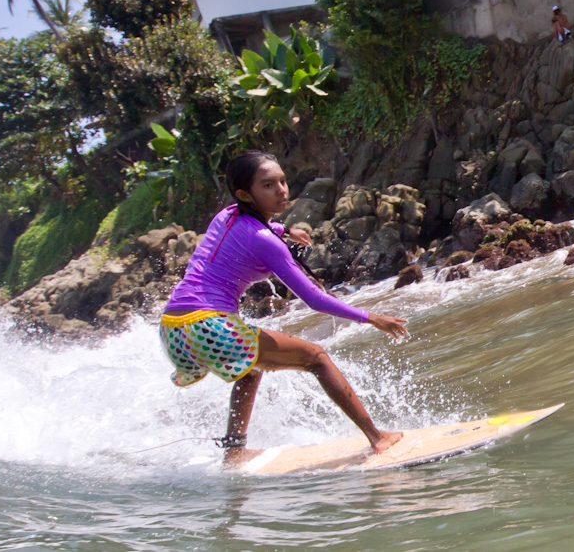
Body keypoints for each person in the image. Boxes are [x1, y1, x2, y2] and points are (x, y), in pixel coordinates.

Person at [159, 150, 407, 467]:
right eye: (268, 185)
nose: (281, 190)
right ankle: (377, 437)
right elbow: (313, 299)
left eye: (282, 181)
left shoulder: (225, 216)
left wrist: (287, 230)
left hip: (173, 330)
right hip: (208, 325)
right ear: (245, 194)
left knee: (251, 367)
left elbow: (253, 225)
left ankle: (234, 451)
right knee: (316, 357)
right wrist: (371, 318)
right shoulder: (265, 242)